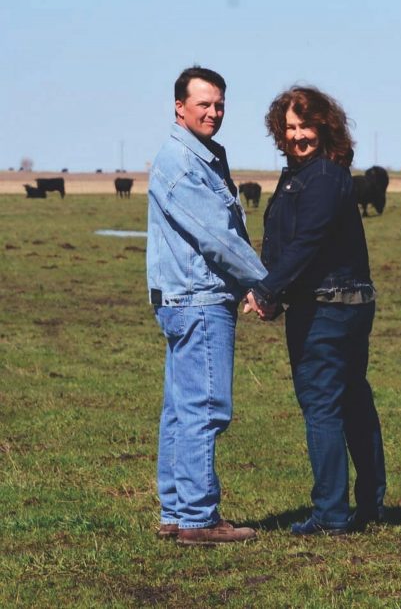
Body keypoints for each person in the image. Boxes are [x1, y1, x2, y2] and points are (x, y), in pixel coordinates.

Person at [246, 86, 386, 535]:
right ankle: (368, 504)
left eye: (305, 126)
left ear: (324, 127)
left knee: (324, 405)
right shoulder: (305, 176)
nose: (298, 135)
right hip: (341, 301)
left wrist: (267, 292)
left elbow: (308, 243)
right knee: (351, 398)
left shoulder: (322, 176)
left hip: (329, 306)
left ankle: (330, 514)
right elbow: (289, 243)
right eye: (289, 128)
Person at [147, 66, 267, 545]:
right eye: (203, 104)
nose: (213, 112)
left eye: (219, 104)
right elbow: (218, 238)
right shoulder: (182, 162)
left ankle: (176, 512)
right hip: (199, 298)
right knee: (204, 408)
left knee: (180, 408)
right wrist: (263, 283)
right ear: (179, 107)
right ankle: (199, 519)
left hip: (183, 297)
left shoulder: (198, 157)